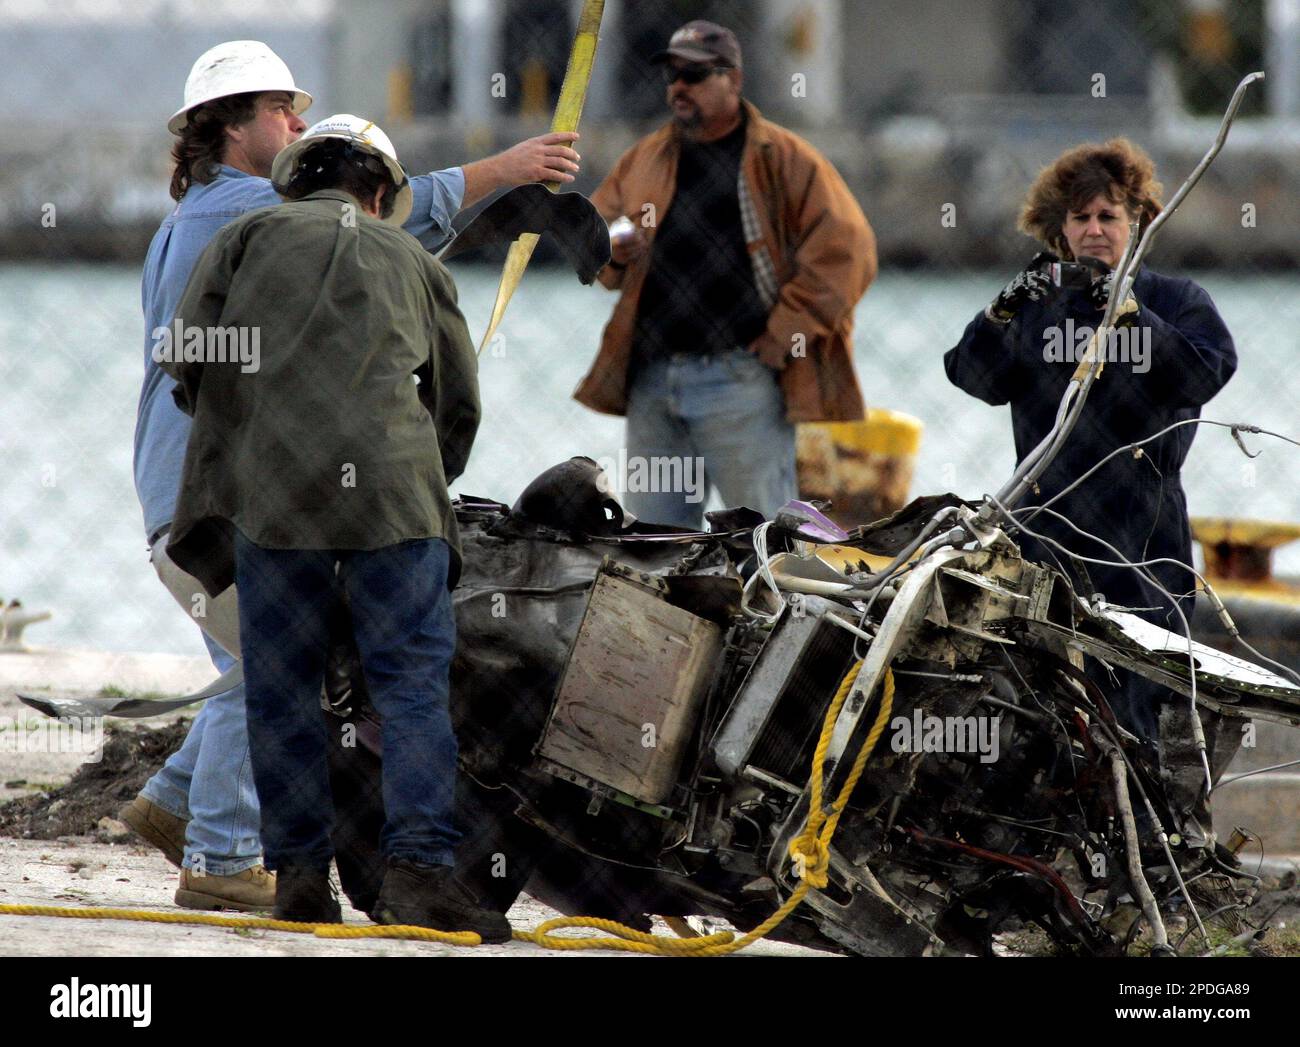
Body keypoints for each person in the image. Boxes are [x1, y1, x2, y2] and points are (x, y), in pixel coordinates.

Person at [123, 39, 581, 912]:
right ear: (229, 126)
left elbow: (192, 358)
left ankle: (224, 829)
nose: (295, 121)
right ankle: (229, 856)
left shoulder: (206, 218)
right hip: (261, 495)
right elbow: (449, 380)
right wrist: (506, 169)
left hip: (238, 492)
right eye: (278, 111)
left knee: (273, 670)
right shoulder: (256, 217)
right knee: (312, 676)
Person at [154, 113, 509, 938]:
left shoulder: (244, 238)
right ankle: (419, 872)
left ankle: (302, 882)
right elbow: (459, 403)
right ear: (380, 190)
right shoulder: (414, 259)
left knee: (281, 695)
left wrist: (254, 444)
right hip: (396, 504)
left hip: (277, 506)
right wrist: (424, 481)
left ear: (295, 180)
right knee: (413, 690)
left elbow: (188, 363)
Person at [944, 138, 1237, 744]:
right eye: (1081, 218)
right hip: (1045, 524)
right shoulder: (1036, 307)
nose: (1095, 230)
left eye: (1109, 216)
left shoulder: (1177, 301)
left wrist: (1131, 316)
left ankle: (1149, 822)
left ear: (1137, 222)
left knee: (1145, 701)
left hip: (1144, 532)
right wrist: (999, 314)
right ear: (1060, 228)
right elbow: (974, 378)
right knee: (1040, 697)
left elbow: (1205, 373)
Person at [574, 20, 877, 528]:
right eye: (672, 74)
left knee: (764, 543)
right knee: (653, 549)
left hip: (740, 380)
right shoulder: (646, 156)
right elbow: (595, 233)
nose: (678, 87)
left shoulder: (783, 157)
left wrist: (784, 334)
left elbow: (849, 251)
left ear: (733, 80)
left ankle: (770, 610)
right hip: (652, 381)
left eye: (694, 75)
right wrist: (614, 245)